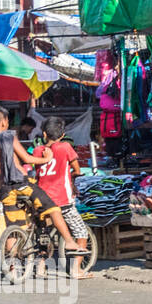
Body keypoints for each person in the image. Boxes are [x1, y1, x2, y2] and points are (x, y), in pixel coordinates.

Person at [0, 106, 85, 260]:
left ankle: (11, 265)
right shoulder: (8, 137)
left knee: (13, 227)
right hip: (22, 185)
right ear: (4, 122)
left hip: (5, 190)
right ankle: (70, 242)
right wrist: (45, 159)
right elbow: (26, 159)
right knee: (53, 208)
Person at [33, 116, 92, 279]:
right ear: (62, 134)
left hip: (41, 199)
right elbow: (77, 169)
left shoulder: (38, 150)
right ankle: (76, 269)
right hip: (62, 199)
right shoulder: (65, 147)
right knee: (81, 231)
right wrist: (70, 175)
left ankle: (40, 267)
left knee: (43, 234)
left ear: (44, 134)